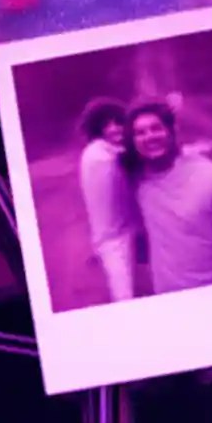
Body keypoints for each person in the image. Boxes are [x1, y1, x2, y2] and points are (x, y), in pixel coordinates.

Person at [121, 101, 212, 296]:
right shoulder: (138, 181)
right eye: (140, 133)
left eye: (156, 128)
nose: (149, 137)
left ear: (172, 130)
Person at [76, 98, 139, 302]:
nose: (113, 129)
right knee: (123, 292)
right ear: (97, 129)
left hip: (114, 229)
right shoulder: (100, 152)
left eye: (118, 122)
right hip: (112, 238)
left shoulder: (98, 150)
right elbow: (136, 158)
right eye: (106, 125)